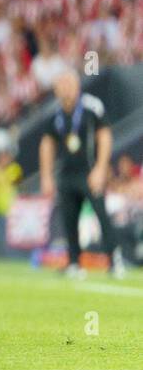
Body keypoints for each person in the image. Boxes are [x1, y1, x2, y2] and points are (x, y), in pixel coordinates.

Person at [39, 71, 126, 278]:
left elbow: (104, 136)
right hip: (67, 173)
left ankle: (115, 259)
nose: (65, 88)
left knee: (101, 215)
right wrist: (46, 176)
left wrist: (100, 168)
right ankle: (74, 262)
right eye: (61, 84)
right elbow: (47, 144)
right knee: (69, 218)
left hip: (89, 171)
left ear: (77, 85)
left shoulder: (91, 106)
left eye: (68, 83)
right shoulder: (56, 112)